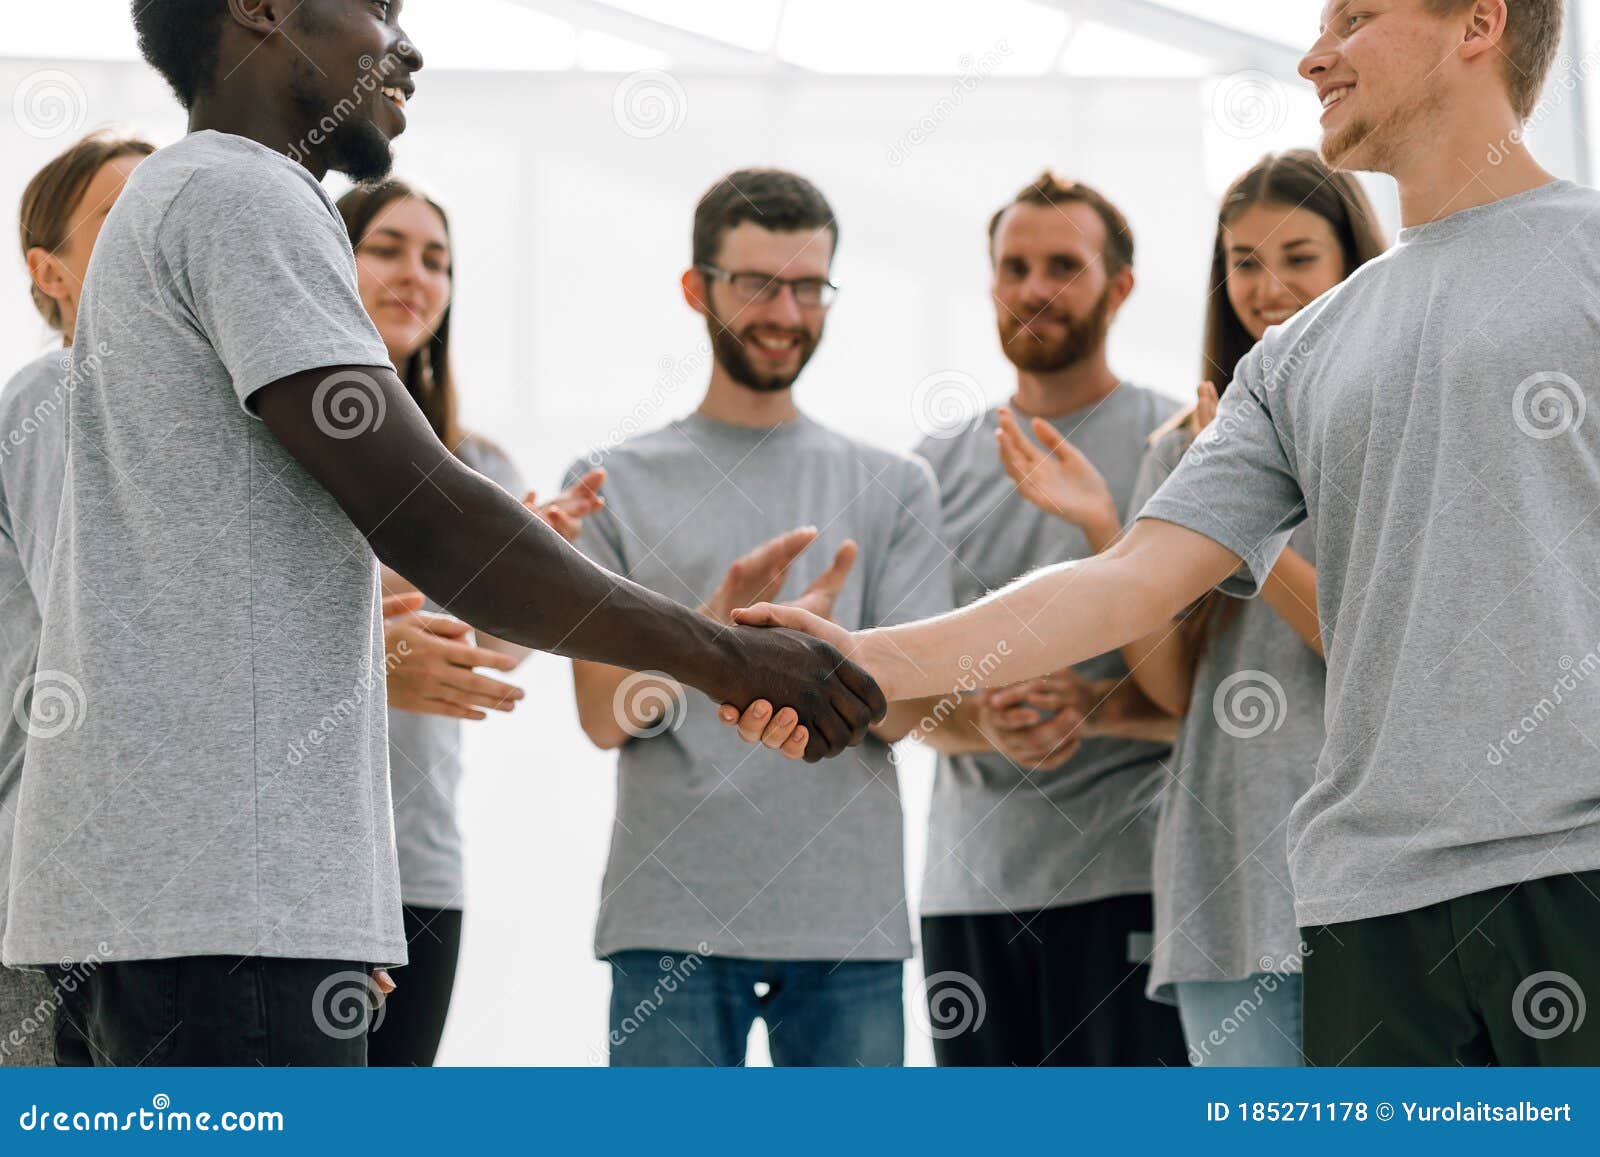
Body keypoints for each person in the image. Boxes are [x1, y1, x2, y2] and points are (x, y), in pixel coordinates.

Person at [4, 0, 881, 1067]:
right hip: (222, 915)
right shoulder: (245, 192)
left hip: (180, 909)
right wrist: (729, 654)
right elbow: (435, 519)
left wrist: (327, 887)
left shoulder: (173, 205)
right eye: (378, 7)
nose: (405, 44)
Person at [733, 0, 1600, 1066]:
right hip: (1368, 911)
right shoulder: (1295, 357)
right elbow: (1129, 579)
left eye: (1357, 16)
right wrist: (863, 655)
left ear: (1476, 25)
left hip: (1573, 876)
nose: (1313, 52)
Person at [994, 149, 1386, 1065]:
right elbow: (1174, 690)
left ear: (1350, 260)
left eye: (1297, 256)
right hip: (1224, 870)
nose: (1267, 284)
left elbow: (1365, 643)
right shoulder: (1183, 447)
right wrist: (1105, 525)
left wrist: (1249, 525)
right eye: (1244, 260)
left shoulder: (1386, 427)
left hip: (1362, 872)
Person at [566, 169, 952, 1067]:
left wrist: (832, 656)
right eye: (757, 284)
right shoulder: (607, 482)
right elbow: (602, 715)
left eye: (809, 286)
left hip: (846, 925)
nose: (786, 311)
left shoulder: (896, 486)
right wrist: (712, 636)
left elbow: (912, 713)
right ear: (697, 288)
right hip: (668, 919)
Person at [336, 178, 605, 1066]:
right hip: (293, 862)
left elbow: (492, 659)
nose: (415, 274)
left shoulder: (477, 462)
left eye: (436, 259)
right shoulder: (270, 437)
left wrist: (531, 573)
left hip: (420, 862)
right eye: (387, 248)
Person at [0, 131, 154, 1068]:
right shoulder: (62, 392)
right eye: (121, 217)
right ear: (48, 272)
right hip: (61, 894)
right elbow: (112, 636)